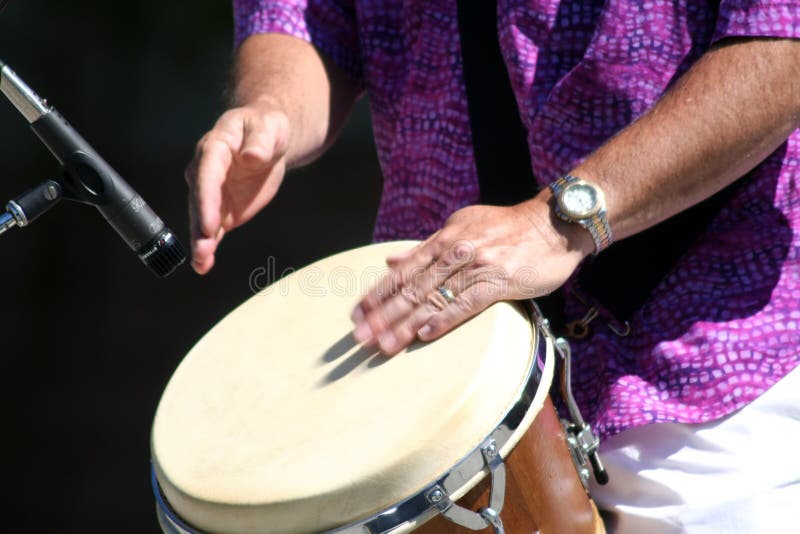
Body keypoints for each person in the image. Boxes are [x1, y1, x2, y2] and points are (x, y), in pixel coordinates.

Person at [185, 1, 800, 531]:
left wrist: (557, 222)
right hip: (441, 393)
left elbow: (783, 40)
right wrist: (272, 107)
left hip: (710, 377)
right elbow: (310, 16)